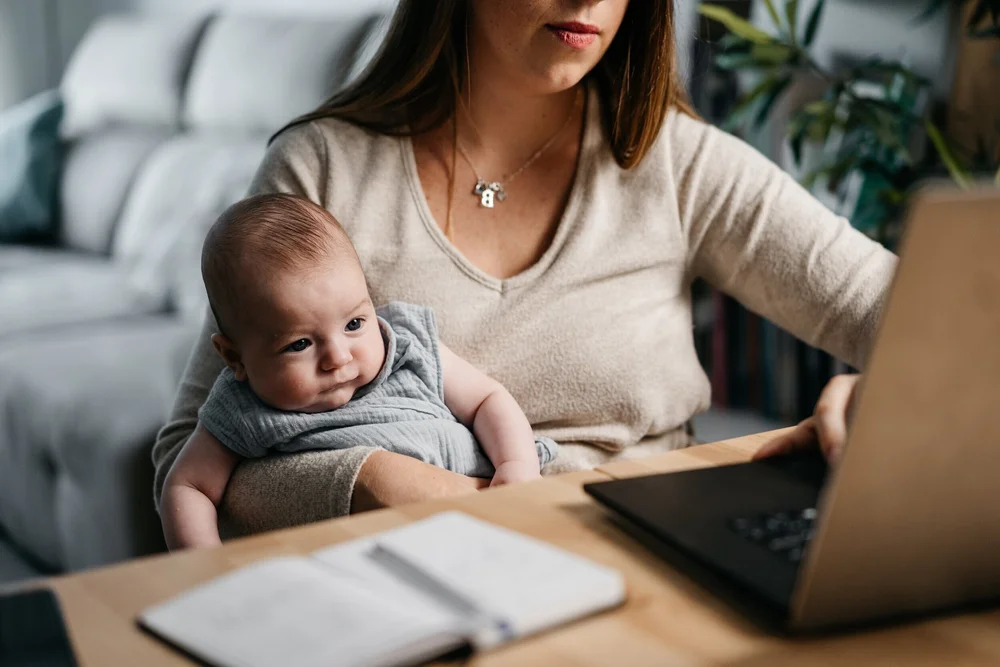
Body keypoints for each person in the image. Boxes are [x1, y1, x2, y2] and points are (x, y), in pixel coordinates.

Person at [153, 0, 897, 536]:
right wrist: (383, 483)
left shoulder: (676, 160)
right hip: (408, 577)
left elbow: (920, 313)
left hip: (654, 558)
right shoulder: (322, 172)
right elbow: (183, 461)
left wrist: (895, 397)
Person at [160, 194, 556, 549]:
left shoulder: (406, 344)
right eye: (299, 344)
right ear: (235, 359)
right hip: (370, 554)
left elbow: (488, 399)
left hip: (497, 505)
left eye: (353, 324)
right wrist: (206, 566)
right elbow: (188, 485)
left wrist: (516, 465)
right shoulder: (240, 408)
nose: (338, 357)